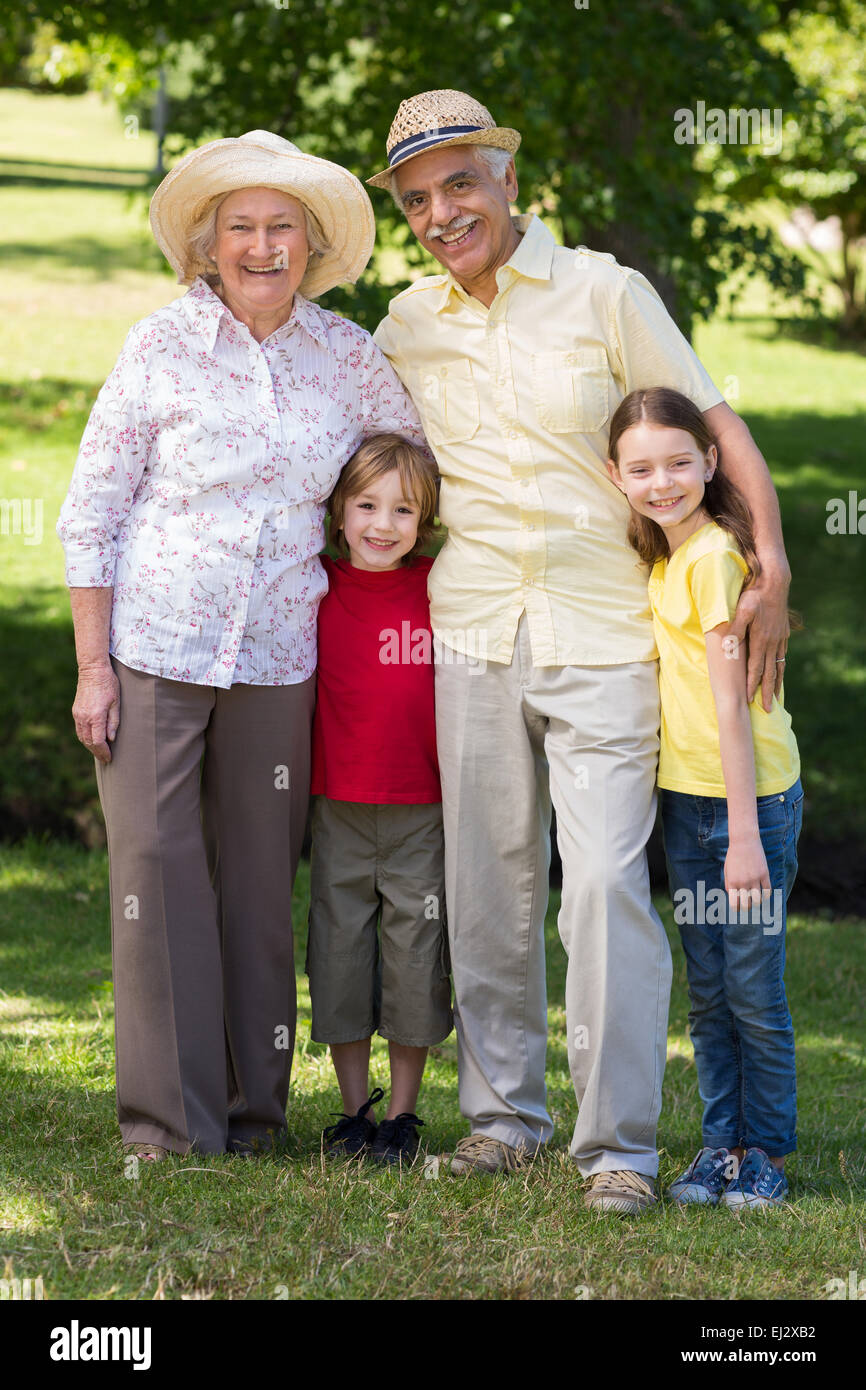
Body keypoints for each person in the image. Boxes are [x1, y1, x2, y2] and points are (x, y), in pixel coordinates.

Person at [368, 89, 794, 1212]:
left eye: (458, 183)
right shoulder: (405, 325)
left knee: (602, 881)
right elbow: (341, 432)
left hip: (606, 632)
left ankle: (618, 1147)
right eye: (416, 199)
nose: (440, 212)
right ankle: (502, 1116)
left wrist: (774, 561)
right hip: (465, 634)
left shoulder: (605, 291)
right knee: (486, 883)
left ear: (505, 177)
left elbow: (713, 421)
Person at [57, 130, 426, 1161]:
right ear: (209, 245)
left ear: (309, 246)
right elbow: (91, 509)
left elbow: (415, 477)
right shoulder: (157, 347)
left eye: (281, 229)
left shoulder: (349, 358)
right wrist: (93, 665)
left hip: (278, 660)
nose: (262, 247)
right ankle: (169, 1125)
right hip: (155, 647)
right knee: (158, 878)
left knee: (262, 886)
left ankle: (255, 1112)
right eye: (241, 229)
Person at [607, 387, 802, 1210]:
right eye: (642, 468)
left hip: (745, 803)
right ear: (615, 476)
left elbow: (729, 705)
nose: (663, 482)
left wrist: (747, 838)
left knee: (754, 987)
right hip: (689, 805)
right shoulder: (663, 558)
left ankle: (767, 1153)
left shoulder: (716, 560)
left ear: (711, 464)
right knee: (710, 986)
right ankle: (719, 1144)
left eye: (680, 463)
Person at [306, 433, 452, 1165]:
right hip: (338, 805)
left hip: (420, 807)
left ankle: (401, 1115)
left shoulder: (437, 587)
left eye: (403, 509)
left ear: (423, 521)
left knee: (413, 955)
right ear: (338, 511)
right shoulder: (315, 588)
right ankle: (352, 1111)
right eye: (366, 505)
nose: (382, 524)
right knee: (339, 949)